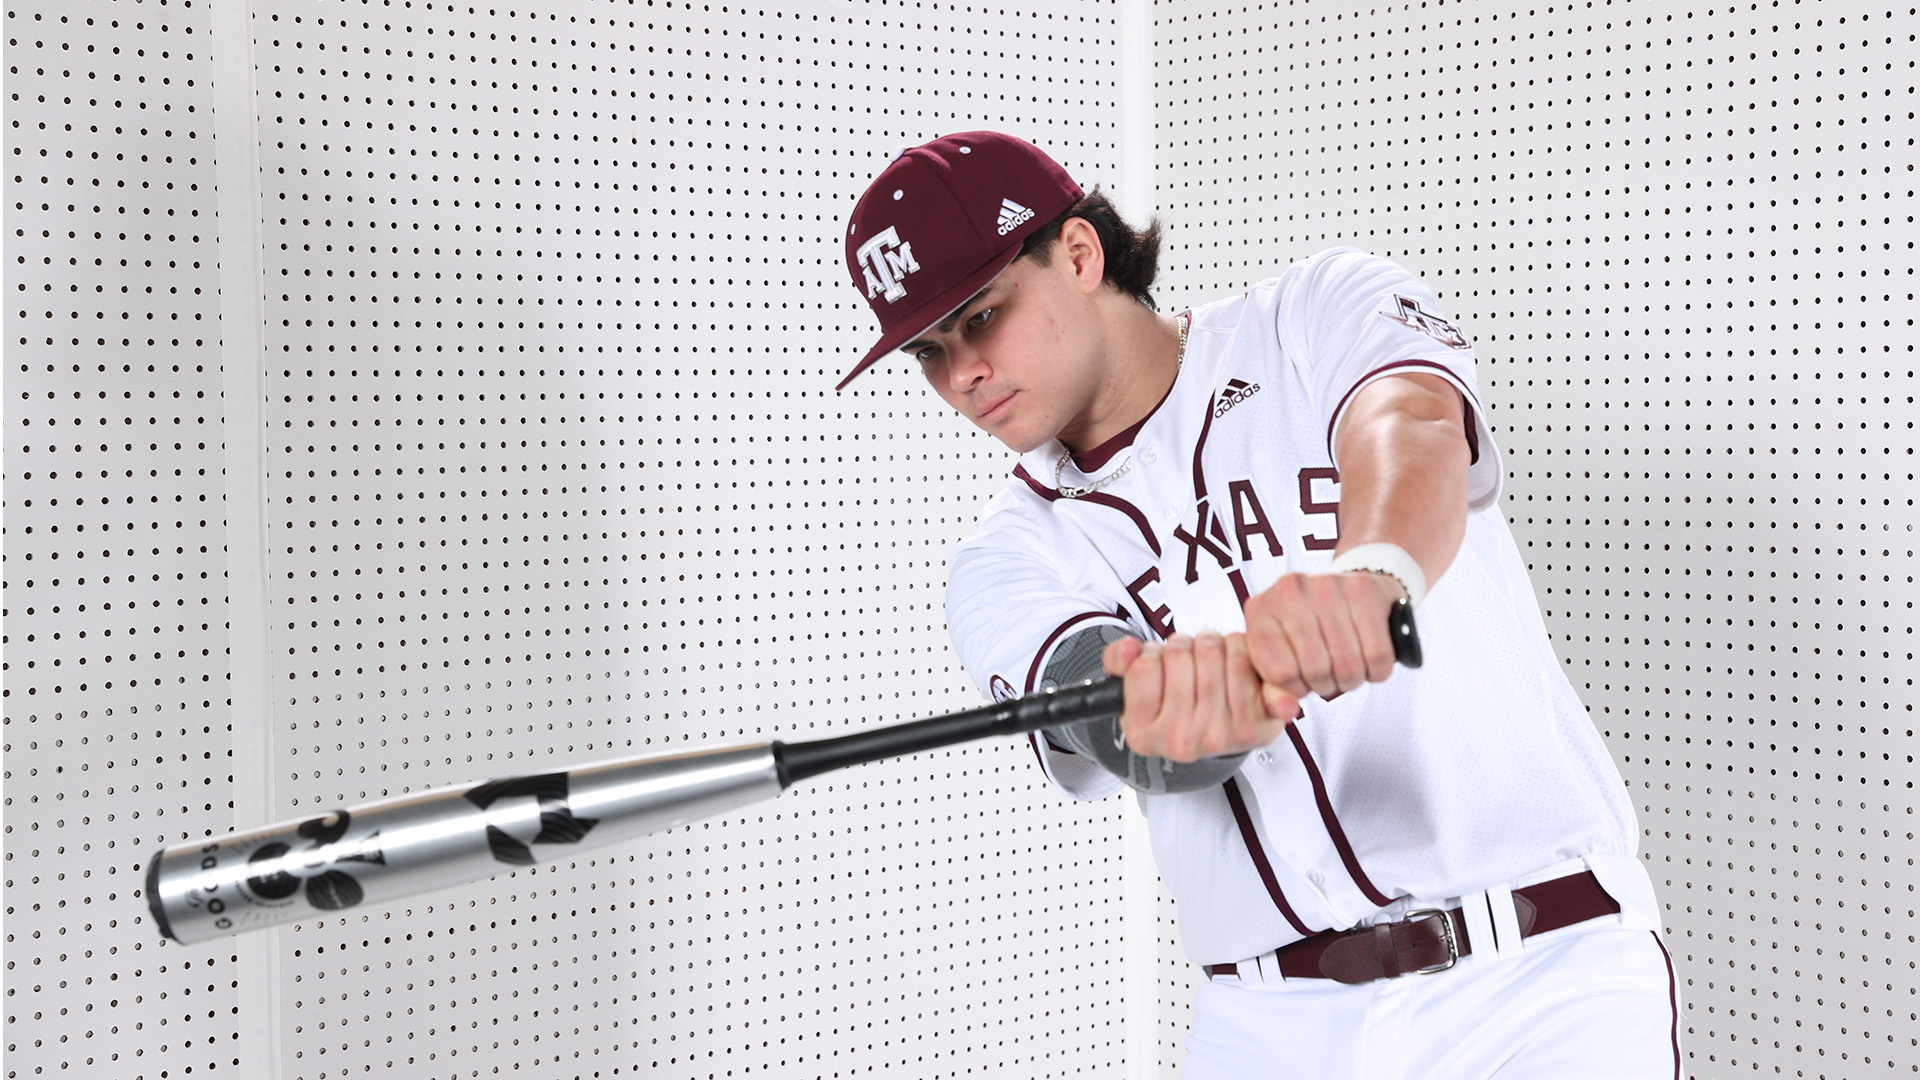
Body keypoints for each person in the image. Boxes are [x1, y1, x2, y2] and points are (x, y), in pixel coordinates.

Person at [836, 131, 1682, 1079]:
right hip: (1274, 1023)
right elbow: (1106, 711)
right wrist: (1178, 716)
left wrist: (1374, 576)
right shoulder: (1005, 555)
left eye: (982, 317)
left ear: (1078, 255)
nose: (961, 378)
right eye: (929, 353)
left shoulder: (1314, 312)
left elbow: (1413, 428)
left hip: (1539, 972)